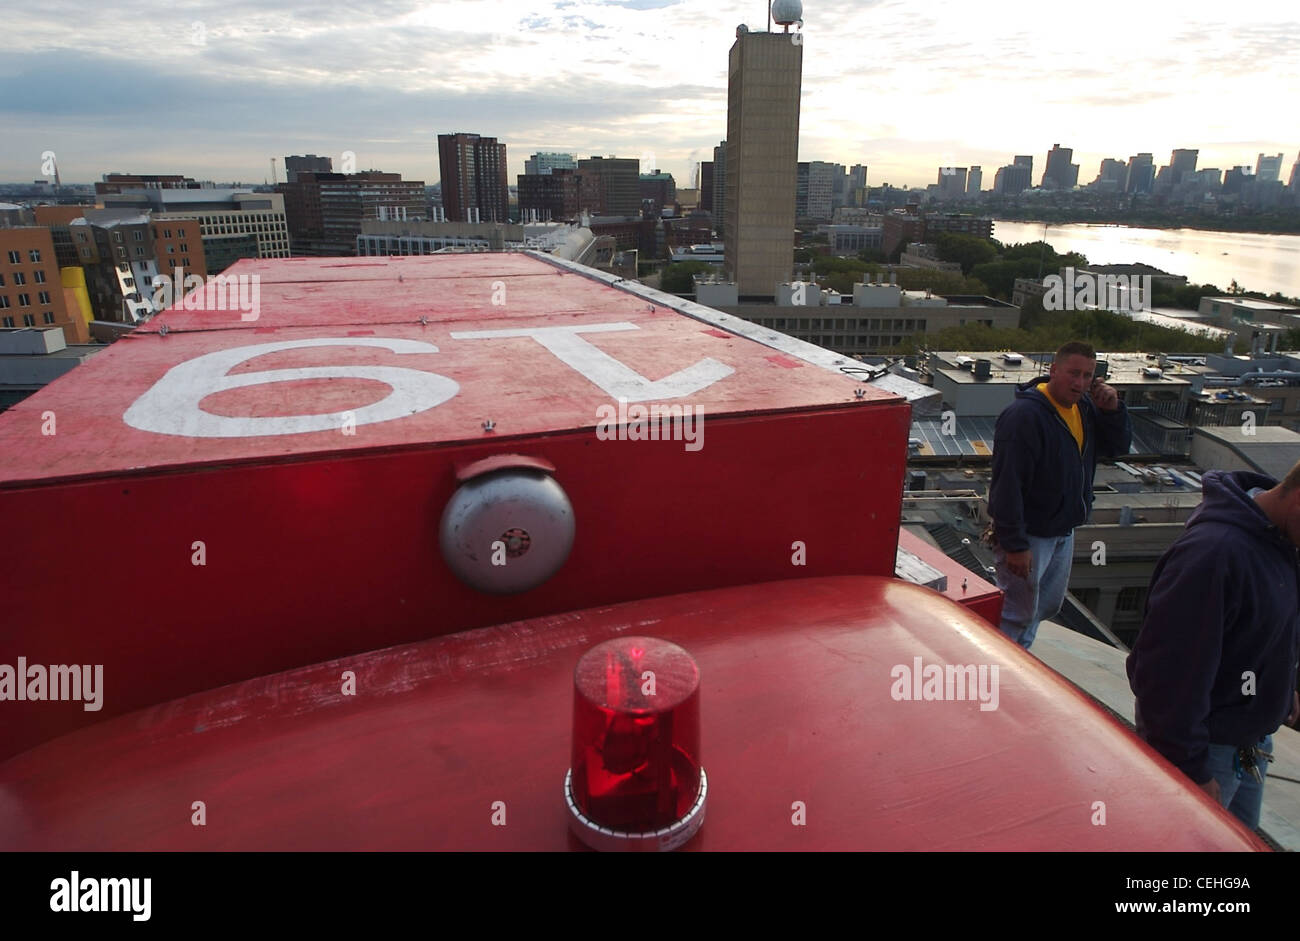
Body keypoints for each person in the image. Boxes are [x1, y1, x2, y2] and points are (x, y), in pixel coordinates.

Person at [1127, 465, 1300, 829]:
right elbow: (1166, 679)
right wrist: (1191, 771)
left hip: (1247, 745)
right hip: (1207, 754)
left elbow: (1263, 626)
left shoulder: (1278, 540)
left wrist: (1281, 686)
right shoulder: (1213, 553)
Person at [987, 341, 1131, 649]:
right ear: (1053, 370)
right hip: (1032, 534)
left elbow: (1117, 449)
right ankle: (997, 672)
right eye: (1073, 373)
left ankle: (1020, 662)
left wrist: (1113, 412)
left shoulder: (1084, 408)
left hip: (1062, 530)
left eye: (1088, 375)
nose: (1080, 382)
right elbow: (1006, 485)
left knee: (1043, 607)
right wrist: (1014, 544)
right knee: (1017, 611)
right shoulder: (1024, 416)